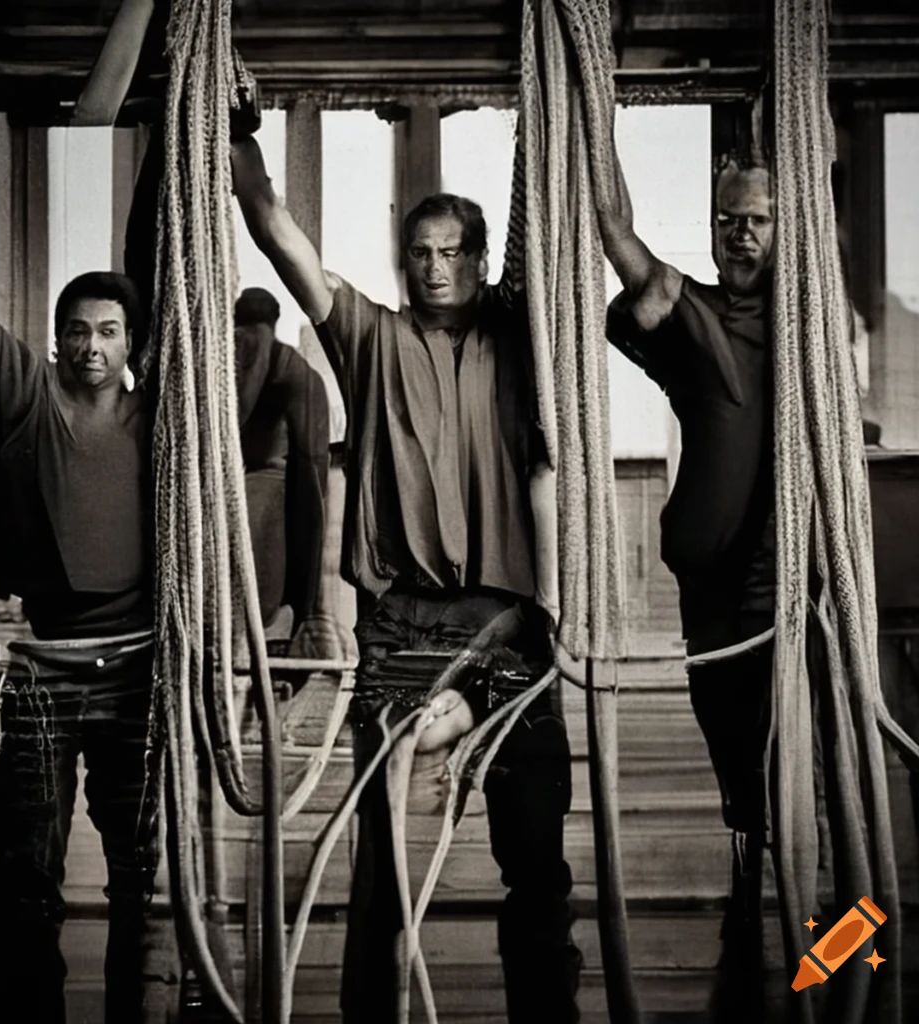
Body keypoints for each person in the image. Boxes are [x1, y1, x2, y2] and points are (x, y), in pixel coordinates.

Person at [230, 137, 582, 1024]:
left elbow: (559, 234)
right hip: (403, 628)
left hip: (510, 629)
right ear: (405, 259)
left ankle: (549, 1012)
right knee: (379, 860)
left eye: (454, 252)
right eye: (421, 252)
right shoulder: (370, 339)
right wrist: (237, 138)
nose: (436, 268)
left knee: (537, 850)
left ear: (477, 257)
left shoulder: (521, 336)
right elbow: (279, 234)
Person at [0, 100, 157, 1023]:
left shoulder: (157, 413)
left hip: (136, 671)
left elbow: (164, 254)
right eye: (78, 330)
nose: (92, 345)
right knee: (25, 876)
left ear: (131, 344)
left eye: (109, 331)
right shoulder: (22, 394)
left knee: (141, 874)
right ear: (57, 338)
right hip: (46, 667)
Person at [596, 149, 777, 1016]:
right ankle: (745, 940)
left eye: (757, 219)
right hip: (703, 587)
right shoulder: (696, 317)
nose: (740, 235)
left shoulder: (799, 324)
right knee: (730, 751)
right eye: (728, 219)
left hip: (772, 586)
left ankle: (833, 958)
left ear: (786, 229)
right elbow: (630, 266)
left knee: (789, 760)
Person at [234, 286, 330, 635]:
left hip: (278, 484)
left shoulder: (297, 375)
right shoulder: (241, 363)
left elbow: (312, 478)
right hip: (254, 483)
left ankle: (299, 616)